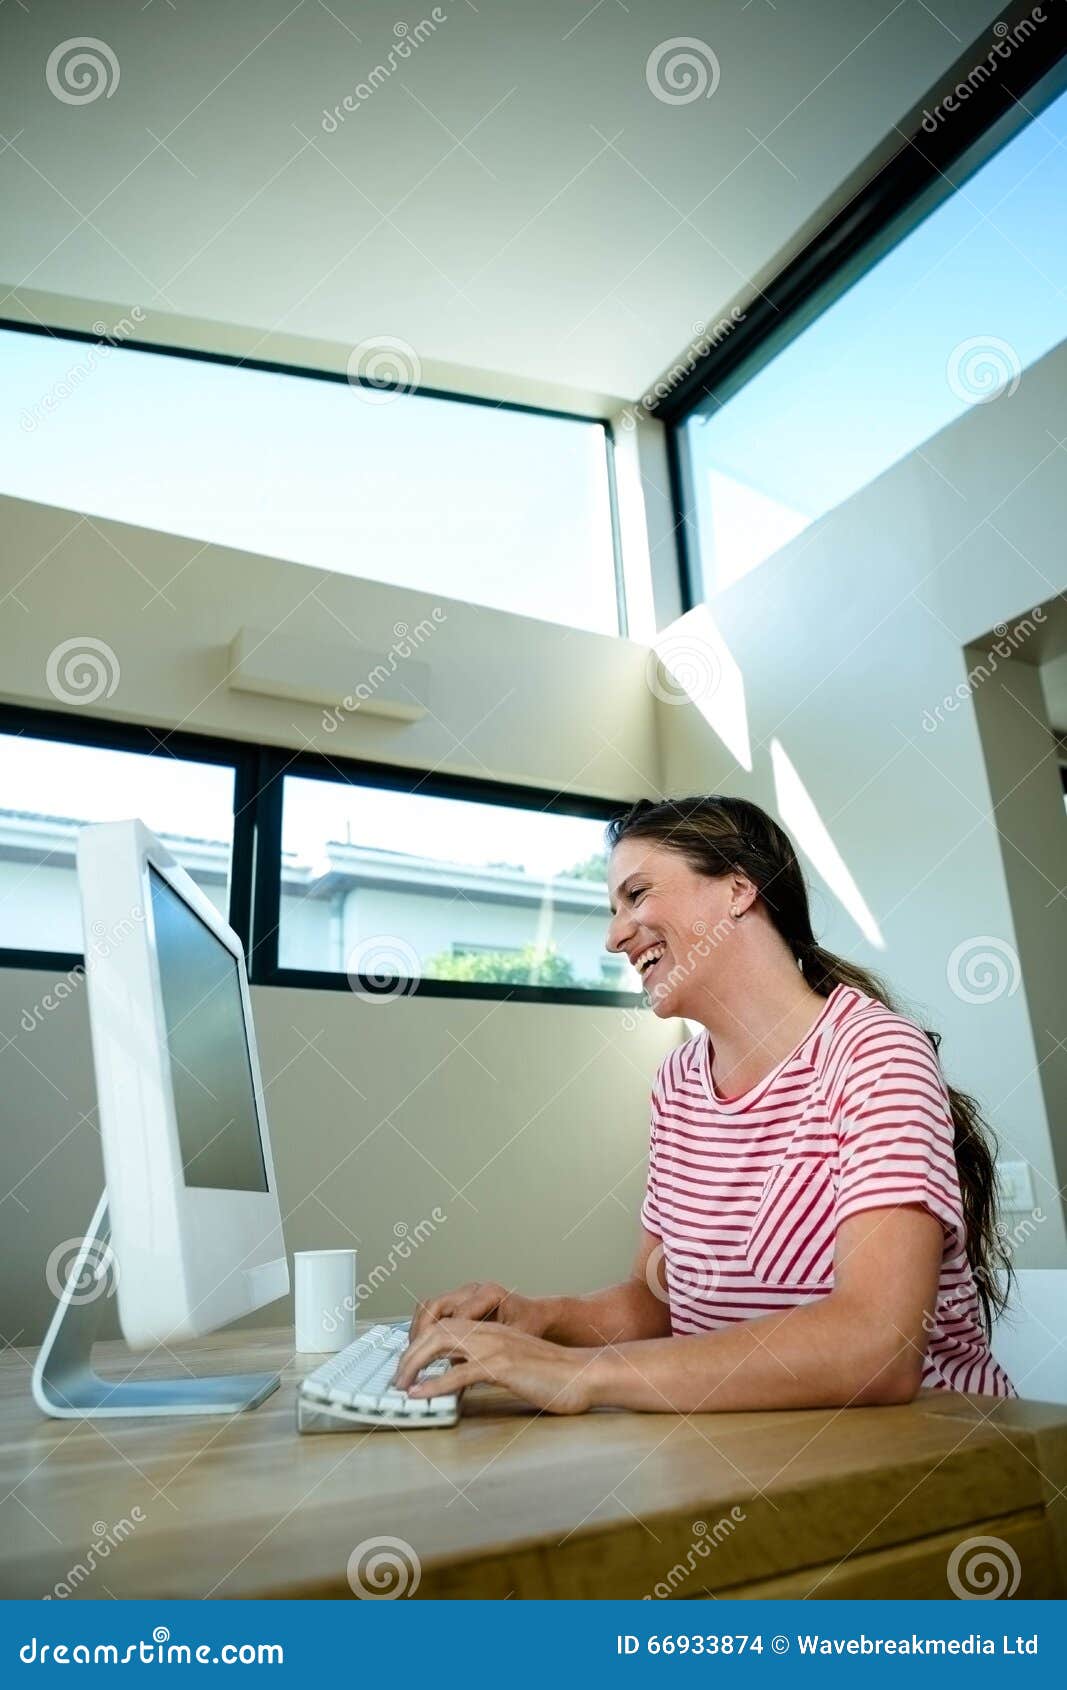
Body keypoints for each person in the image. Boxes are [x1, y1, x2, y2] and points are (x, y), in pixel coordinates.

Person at [394, 795, 1014, 1412]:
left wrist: (581, 1374)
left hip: (939, 1453)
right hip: (759, 1451)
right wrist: (537, 1317)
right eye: (613, 909)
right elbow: (660, 1302)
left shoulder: (873, 1056)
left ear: (738, 890)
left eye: (636, 895)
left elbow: (876, 1347)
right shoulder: (679, 1083)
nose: (614, 936)